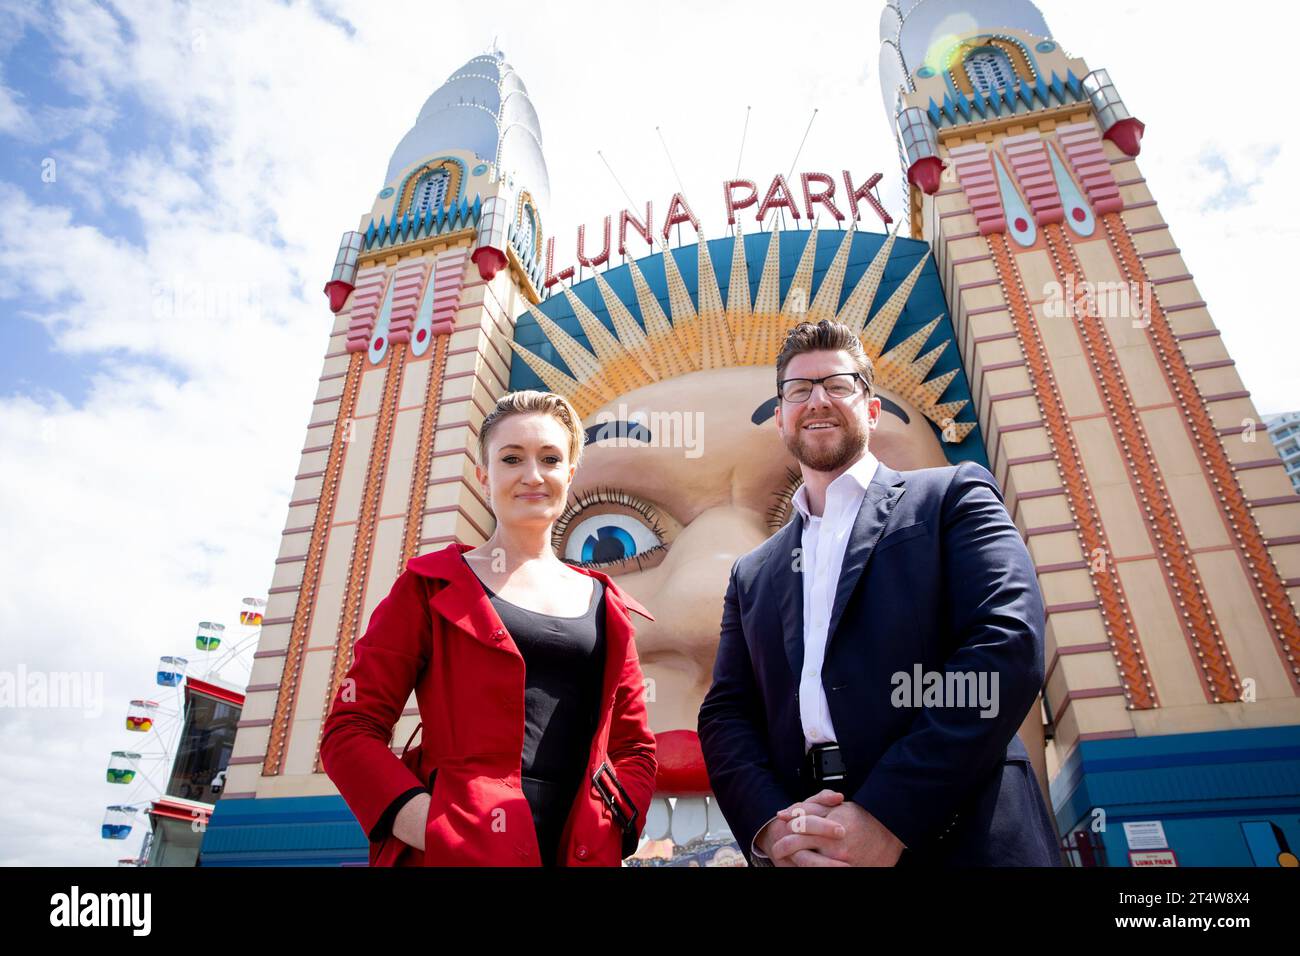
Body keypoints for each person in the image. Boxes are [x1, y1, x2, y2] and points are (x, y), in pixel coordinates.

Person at [697, 319, 1061, 867]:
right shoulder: (753, 573)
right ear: (780, 419)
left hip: (963, 830)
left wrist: (888, 815)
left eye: (837, 385)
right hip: (809, 840)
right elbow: (726, 712)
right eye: (799, 390)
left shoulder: (953, 495)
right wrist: (774, 829)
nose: (817, 400)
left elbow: (1005, 645)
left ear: (870, 408)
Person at [320, 390, 657, 866]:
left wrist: (615, 824)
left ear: (570, 475)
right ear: (484, 476)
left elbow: (635, 749)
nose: (533, 475)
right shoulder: (430, 587)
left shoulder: (608, 606)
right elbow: (350, 728)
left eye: (550, 459)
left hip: (580, 852)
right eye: (512, 458)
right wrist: (434, 829)